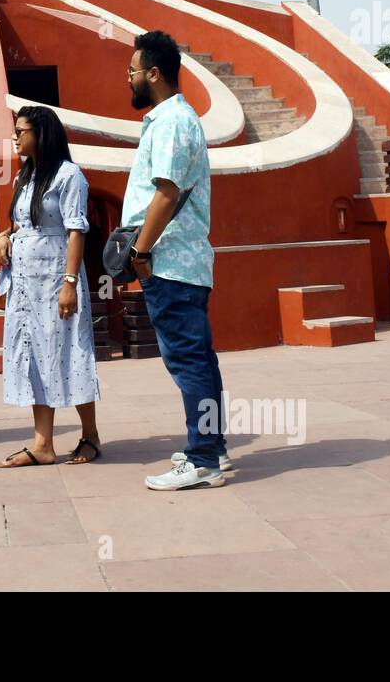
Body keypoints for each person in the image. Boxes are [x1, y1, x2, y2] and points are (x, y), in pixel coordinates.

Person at [121, 30, 230, 491]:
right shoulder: (176, 120)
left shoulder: (171, 122)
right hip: (184, 262)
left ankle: (202, 458)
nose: (128, 79)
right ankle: (212, 448)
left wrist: (140, 251)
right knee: (199, 359)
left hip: (169, 261)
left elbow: (165, 192)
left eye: (132, 71)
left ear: (153, 73)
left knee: (188, 361)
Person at [0, 105, 101, 468]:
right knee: (35, 353)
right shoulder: (24, 177)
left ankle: (90, 435)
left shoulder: (69, 176)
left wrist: (69, 283)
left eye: (21, 131)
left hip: (57, 276)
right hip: (25, 283)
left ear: (41, 134)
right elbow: (22, 222)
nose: (15, 137)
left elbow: (75, 230)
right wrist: (4, 236)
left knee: (71, 349)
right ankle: (43, 444)